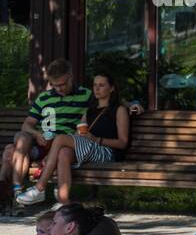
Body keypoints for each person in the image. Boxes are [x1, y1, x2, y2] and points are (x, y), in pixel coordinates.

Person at [16, 72, 130, 207]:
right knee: (64, 152)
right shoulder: (90, 110)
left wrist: (96, 139)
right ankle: (63, 201)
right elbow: (78, 134)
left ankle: (40, 188)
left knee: (60, 139)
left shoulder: (119, 110)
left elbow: (123, 143)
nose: (97, 89)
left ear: (111, 88)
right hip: (91, 149)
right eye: (95, 85)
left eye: (101, 85)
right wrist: (52, 155)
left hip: (107, 153)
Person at [1, 60, 92, 212]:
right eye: (55, 85)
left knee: (10, 151)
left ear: (70, 76)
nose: (59, 88)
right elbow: (27, 125)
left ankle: (16, 198)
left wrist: (132, 104)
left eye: (62, 84)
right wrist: (36, 134)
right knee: (18, 143)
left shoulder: (86, 95)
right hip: (43, 143)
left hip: (65, 145)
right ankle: (18, 190)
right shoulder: (44, 98)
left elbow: (110, 102)